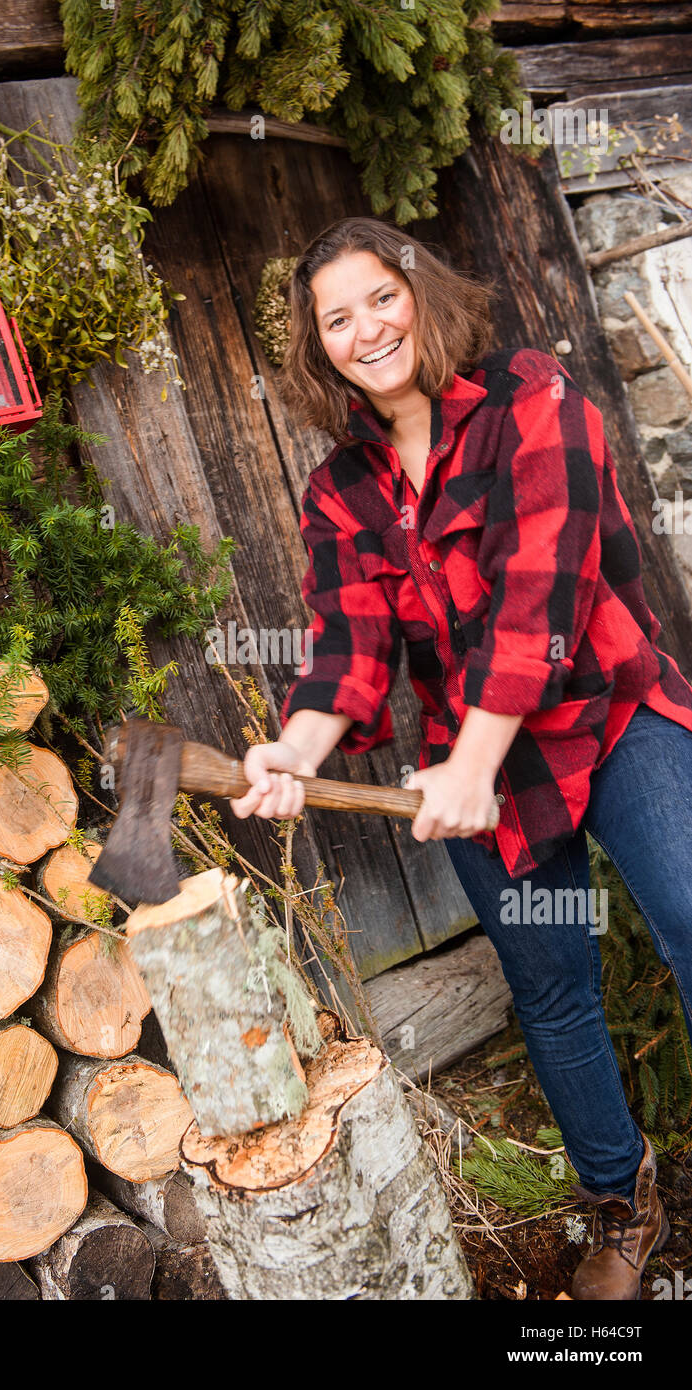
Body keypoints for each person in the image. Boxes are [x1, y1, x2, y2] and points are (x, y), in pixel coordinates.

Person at [229, 215, 692, 1301]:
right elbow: (348, 643)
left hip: (607, 712)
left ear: (420, 291)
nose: (364, 330)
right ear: (318, 347)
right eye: (334, 320)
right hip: (485, 774)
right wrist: (293, 751)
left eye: (377, 297)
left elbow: (543, 595)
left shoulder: (535, 397)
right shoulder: (342, 488)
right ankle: (623, 1203)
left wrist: (477, 755)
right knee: (552, 988)